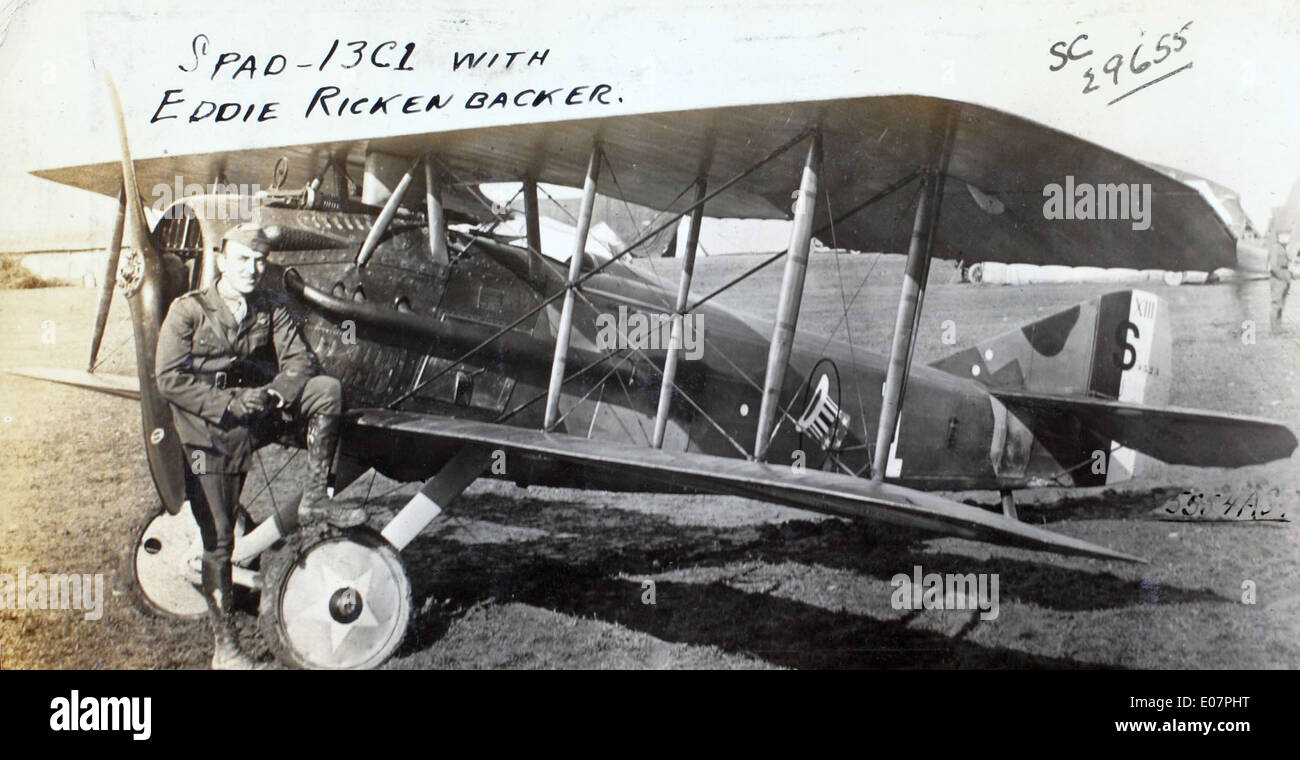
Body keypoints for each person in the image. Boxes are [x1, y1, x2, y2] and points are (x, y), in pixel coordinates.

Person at [155, 223, 364, 669]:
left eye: (260, 261)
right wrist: (228, 402)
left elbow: (300, 361)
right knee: (218, 539)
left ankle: (313, 501)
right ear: (221, 260)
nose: (253, 269)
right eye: (243, 260)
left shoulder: (270, 306)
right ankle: (226, 648)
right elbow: (169, 379)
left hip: (258, 410)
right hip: (209, 429)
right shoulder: (187, 311)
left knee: (326, 389)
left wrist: (274, 395)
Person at [1270, 232, 1293, 334]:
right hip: (1278, 279)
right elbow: (1273, 267)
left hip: (1284, 277)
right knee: (1276, 304)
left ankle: (1279, 327)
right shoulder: (1275, 248)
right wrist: (1284, 277)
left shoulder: (1284, 248)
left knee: (1282, 304)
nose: (1287, 237)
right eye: (1284, 235)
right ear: (1279, 237)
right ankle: (1274, 329)